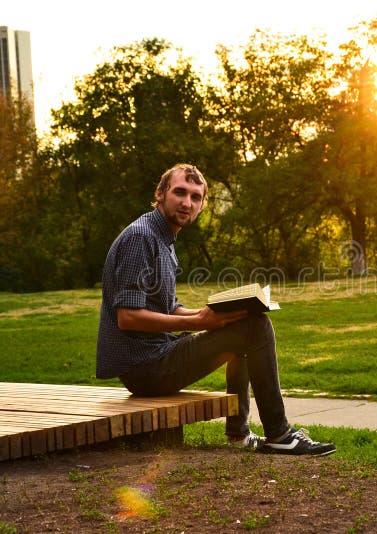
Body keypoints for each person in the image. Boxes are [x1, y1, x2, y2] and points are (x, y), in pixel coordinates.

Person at [96, 163, 336, 456]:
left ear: (201, 205)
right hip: (145, 369)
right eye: (180, 192)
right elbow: (128, 317)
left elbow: (167, 306)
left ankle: (239, 434)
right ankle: (279, 434)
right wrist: (200, 321)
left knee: (243, 322)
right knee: (256, 328)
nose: (187, 202)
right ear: (161, 193)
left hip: (155, 358)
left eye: (195, 197)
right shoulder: (141, 237)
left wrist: (214, 316)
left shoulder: (162, 239)